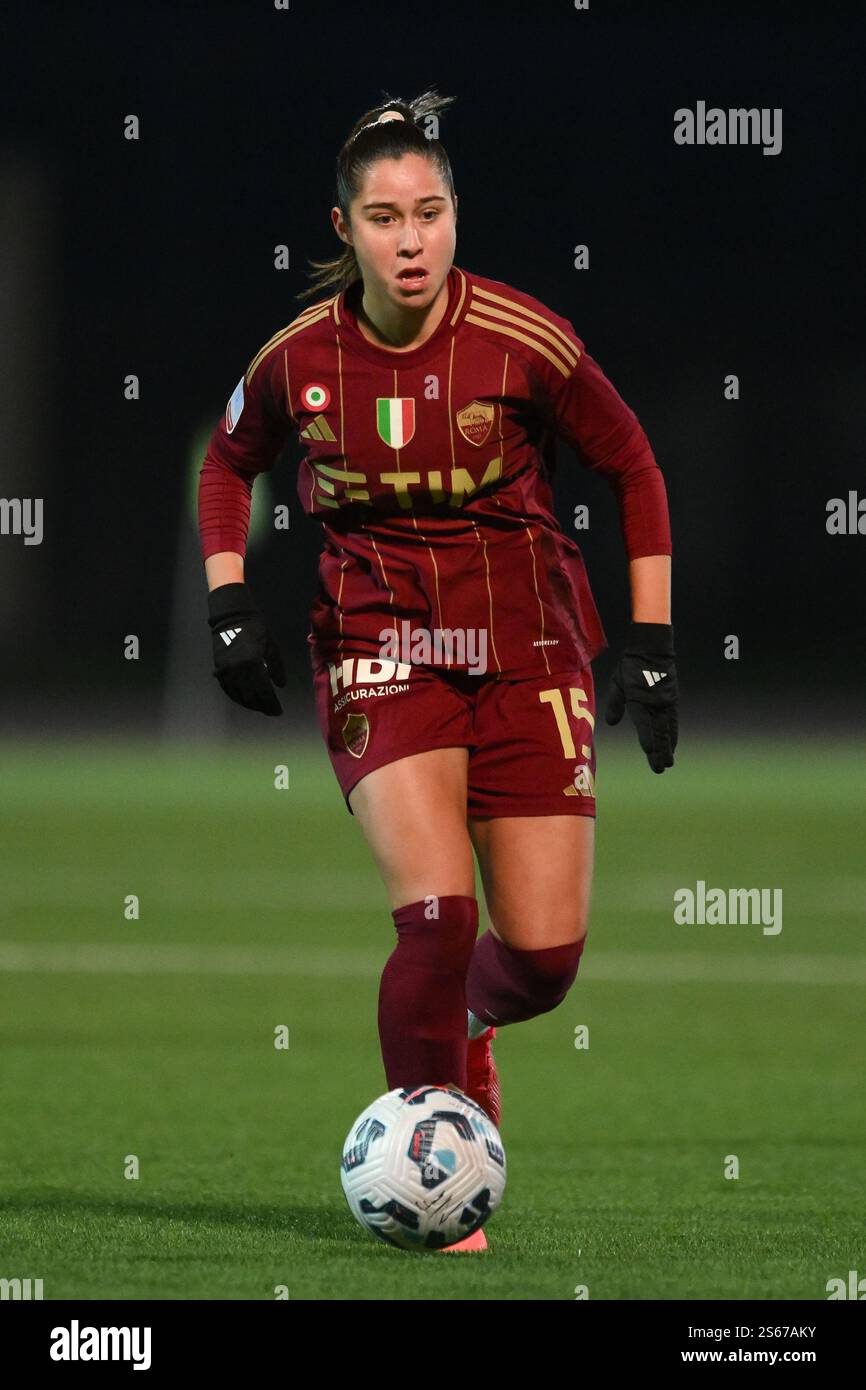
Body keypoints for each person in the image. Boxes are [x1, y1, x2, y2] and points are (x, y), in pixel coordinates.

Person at [197, 89, 678, 1251]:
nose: (408, 240)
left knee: (543, 959)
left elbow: (632, 465)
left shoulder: (522, 339)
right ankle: (435, 1185)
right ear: (344, 227)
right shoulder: (298, 359)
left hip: (525, 651)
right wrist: (228, 603)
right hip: (379, 649)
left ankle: (467, 1015)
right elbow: (229, 462)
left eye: (428, 213)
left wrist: (653, 646)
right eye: (381, 217)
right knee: (433, 916)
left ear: (455, 217)